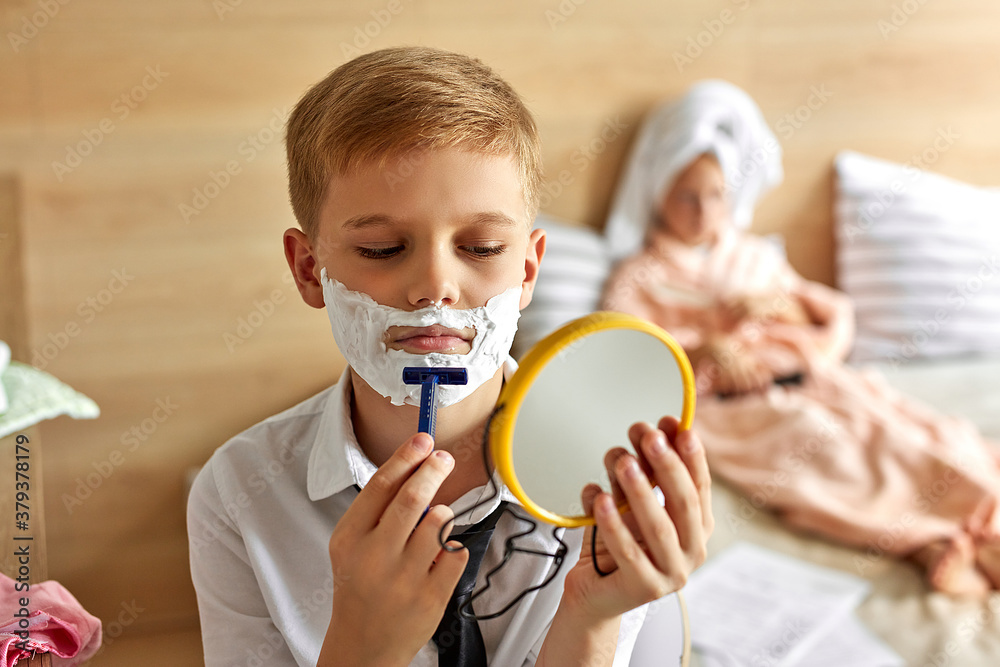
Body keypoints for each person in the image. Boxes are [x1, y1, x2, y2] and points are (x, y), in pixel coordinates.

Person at [187, 47, 713, 666]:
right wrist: (361, 645)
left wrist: (593, 616)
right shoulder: (240, 497)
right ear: (309, 269)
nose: (435, 285)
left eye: (483, 247)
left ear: (528, 270)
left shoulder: (604, 472)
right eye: (383, 248)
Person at [601, 80, 1000, 597]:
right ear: (659, 192)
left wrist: (775, 305)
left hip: (815, 376)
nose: (703, 212)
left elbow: (830, 319)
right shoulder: (639, 276)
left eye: (716, 196)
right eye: (687, 196)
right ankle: (931, 538)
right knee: (828, 454)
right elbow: (623, 360)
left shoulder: (753, 256)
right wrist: (702, 350)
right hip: (738, 407)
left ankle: (982, 523)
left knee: (911, 435)